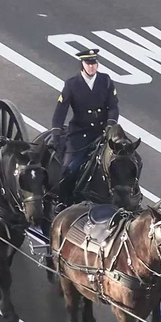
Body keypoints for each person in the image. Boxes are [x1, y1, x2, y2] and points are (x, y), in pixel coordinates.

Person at [50, 48, 120, 206]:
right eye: (88, 64)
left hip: (102, 132)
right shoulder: (72, 85)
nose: (92, 67)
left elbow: (113, 106)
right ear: (82, 64)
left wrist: (110, 124)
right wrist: (56, 132)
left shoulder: (105, 81)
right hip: (80, 134)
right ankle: (62, 201)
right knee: (70, 168)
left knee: (123, 160)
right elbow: (60, 112)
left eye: (94, 63)